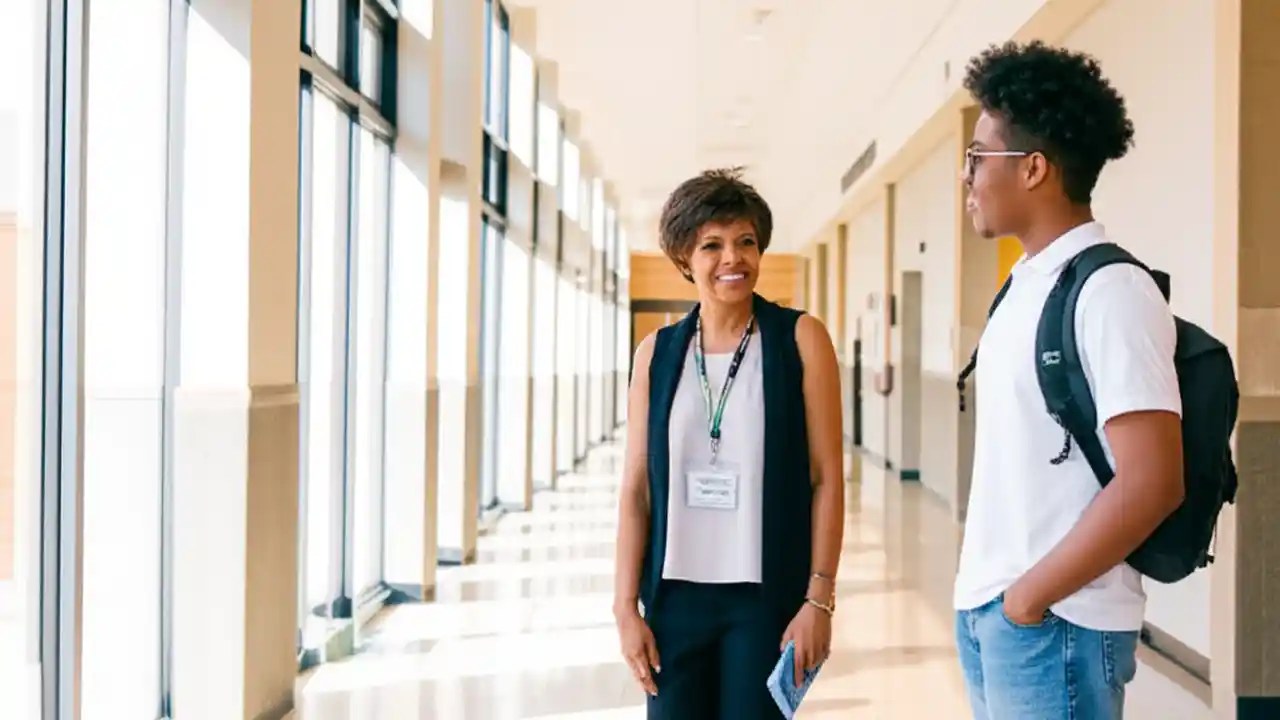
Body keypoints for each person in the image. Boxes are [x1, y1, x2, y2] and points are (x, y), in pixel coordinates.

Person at [954, 41, 1185, 719]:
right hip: (998, 612)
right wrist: (997, 603)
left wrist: (1028, 600)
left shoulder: (1111, 290)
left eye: (976, 157)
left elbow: (1152, 480)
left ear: (1032, 169)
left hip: (1055, 620)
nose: (966, 177)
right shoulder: (1026, 285)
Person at [611, 168, 846, 719]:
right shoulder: (658, 354)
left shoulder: (799, 339)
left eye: (745, 242)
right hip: (673, 600)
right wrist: (626, 608)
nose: (732, 260)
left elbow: (826, 477)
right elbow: (636, 489)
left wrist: (819, 598)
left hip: (764, 600)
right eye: (711, 245)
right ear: (683, 259)